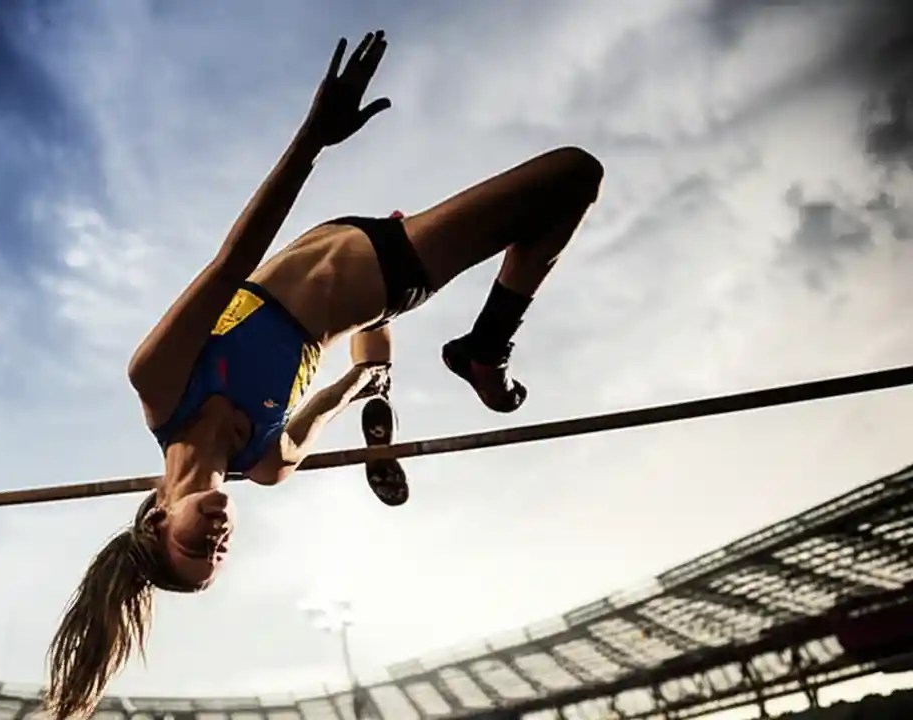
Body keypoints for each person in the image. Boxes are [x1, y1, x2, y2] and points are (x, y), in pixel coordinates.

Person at [45, 29, 603, 719]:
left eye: (196, 545)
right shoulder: (269, 463)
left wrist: (311, 140)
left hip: (330, 247)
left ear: (158, 519)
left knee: (371, 362)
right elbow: (315, 418)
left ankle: (420, 376)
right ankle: (482, 350)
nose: (216, 541)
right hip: (387, 273)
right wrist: (352, 392)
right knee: (573, 175)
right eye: (219, 554)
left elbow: (231, 261)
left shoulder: (158, 382)